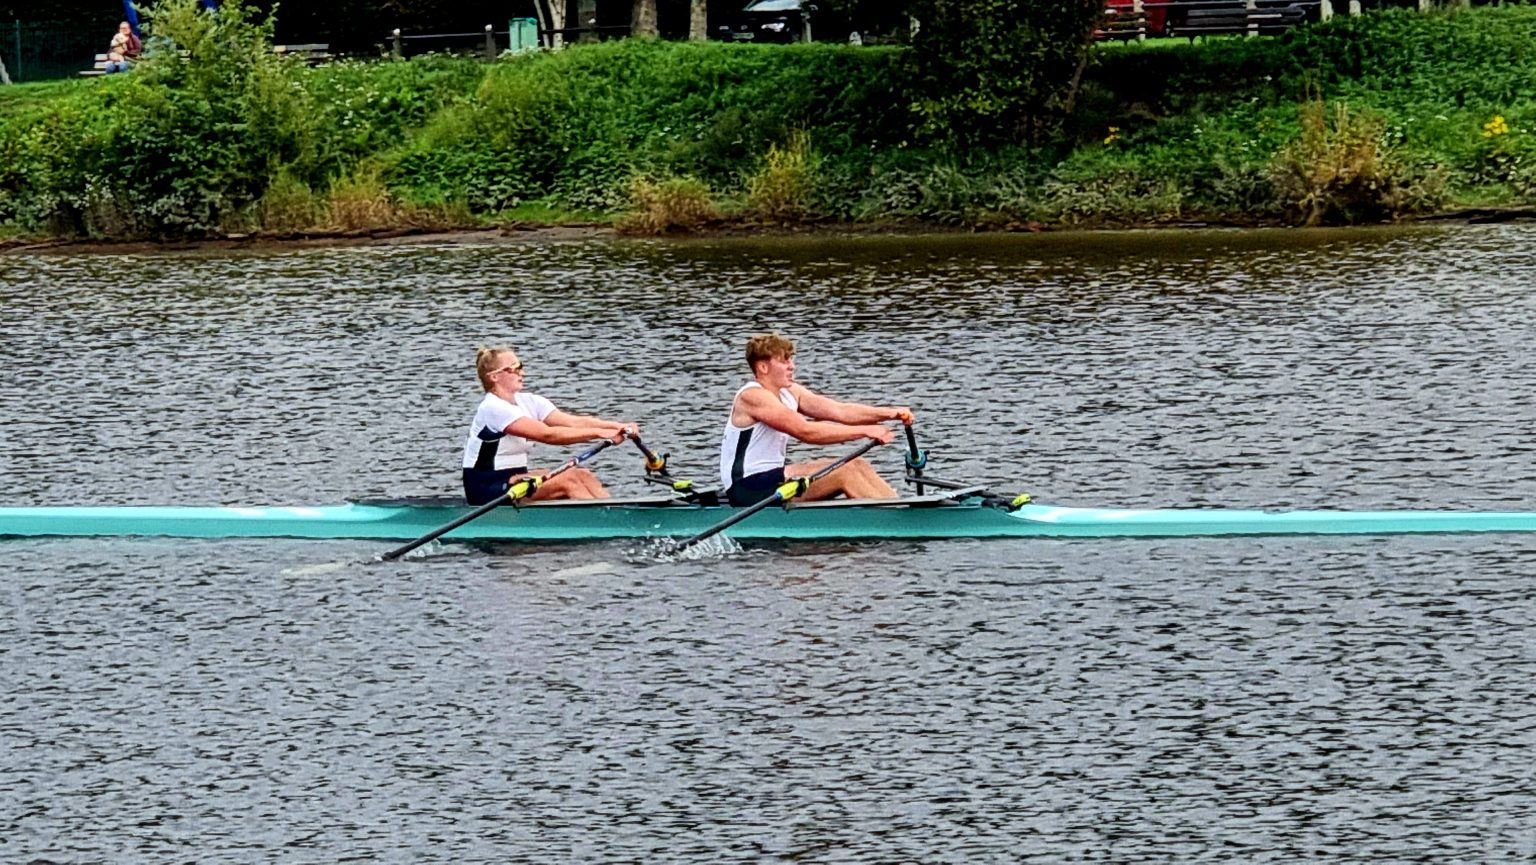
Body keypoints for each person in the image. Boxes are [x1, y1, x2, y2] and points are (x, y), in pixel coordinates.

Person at [720, 333, 912, 506]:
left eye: (791, 359)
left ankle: (896, 508)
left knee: (857, 464)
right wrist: (866, 431)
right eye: (784, 360)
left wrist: (890, 413)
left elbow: (840, 411)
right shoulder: (752, 396)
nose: (792, 366)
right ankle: (896, 521)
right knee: (845, 472)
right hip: (747, 488)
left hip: (773, 478)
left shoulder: (789, 392)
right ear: (763, 367)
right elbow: (806, 431)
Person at [462, 346, 637, 505]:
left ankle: (615, 512)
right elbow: (548, 435)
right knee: (568, 481)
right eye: (515, 368)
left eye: (520, 366)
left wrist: (618, 427)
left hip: (515, 479)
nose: (522, 373)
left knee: (581, 474)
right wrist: (600, 434)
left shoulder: (529, 401)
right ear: (494, 377)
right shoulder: (493, 408)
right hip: (486, 488)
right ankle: (606, 524)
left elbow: (572, 422)